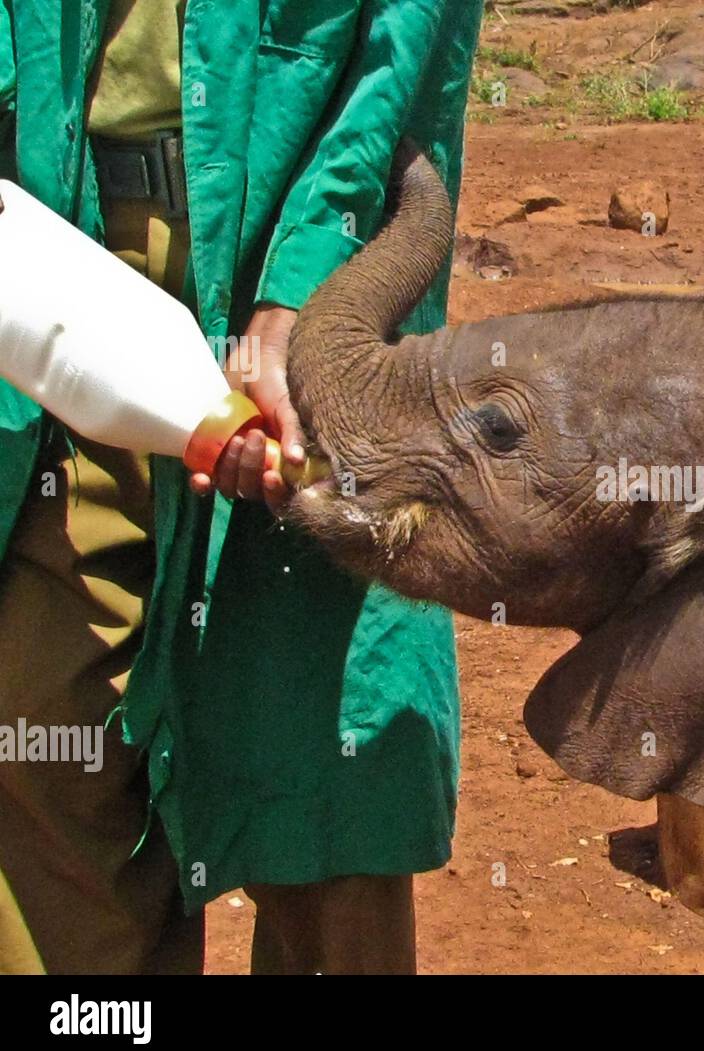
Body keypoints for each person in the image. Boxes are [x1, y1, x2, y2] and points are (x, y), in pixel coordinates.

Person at [0, 0, 482, 974]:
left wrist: (310, 288)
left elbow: (409, 43)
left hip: (313, 293)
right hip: (41, 279)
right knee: (49, 756)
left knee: (332, 778)